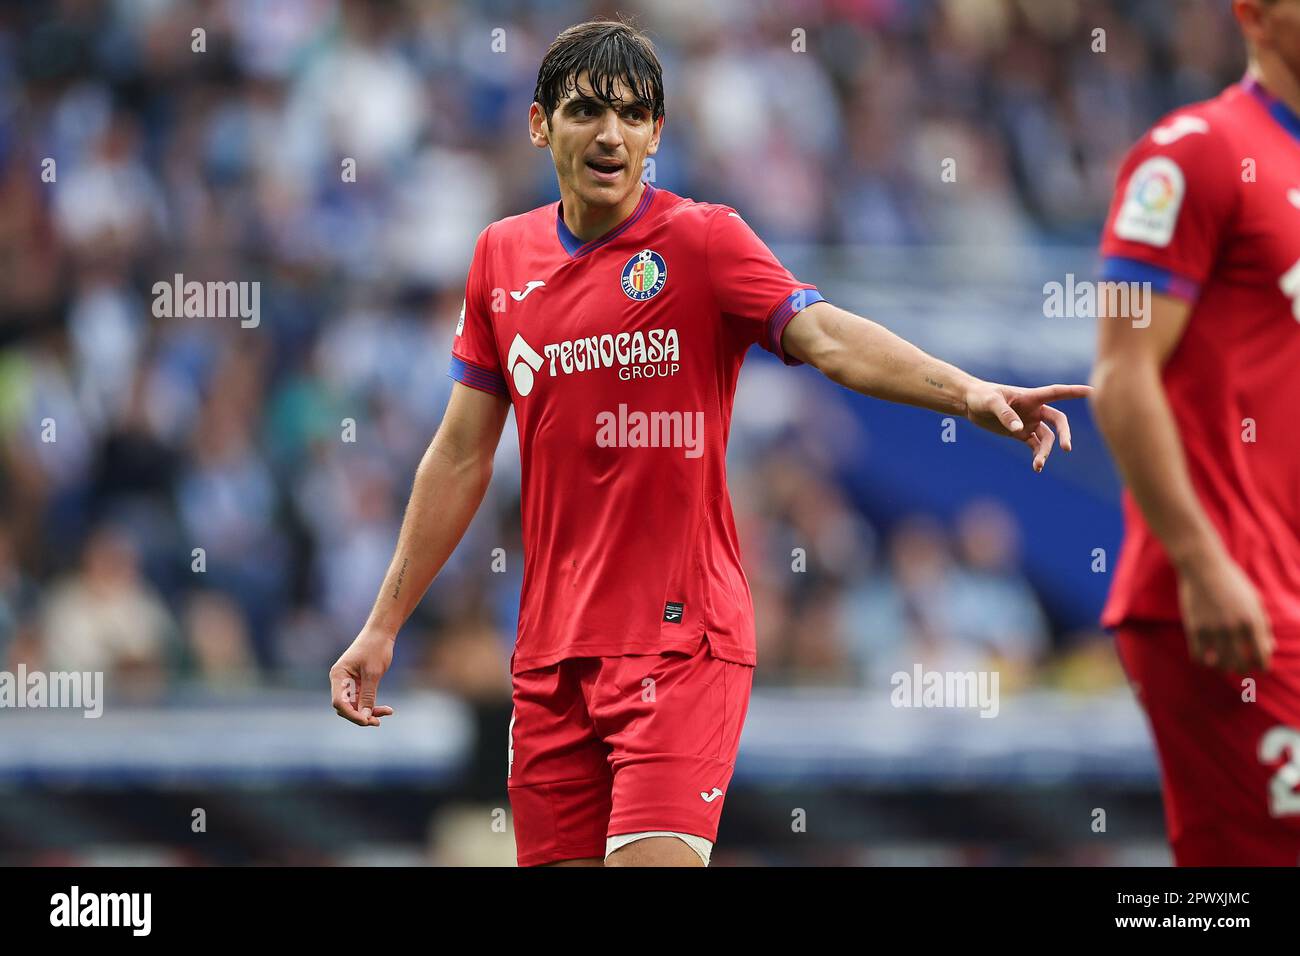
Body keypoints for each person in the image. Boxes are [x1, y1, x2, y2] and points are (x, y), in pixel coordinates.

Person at [330, 18, 1089, 867]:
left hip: (681, 643)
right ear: (541, 124)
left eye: (631, 115)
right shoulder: (499, 259)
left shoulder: (701, 240)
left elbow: (827, 337)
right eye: (584, 111)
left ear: (658, 131)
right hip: (549, 659)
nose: (609, 134)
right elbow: (461, 453)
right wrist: (383, 624)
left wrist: (971, 392)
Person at [1091, 0, 1300, 866]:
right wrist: (1203, 562)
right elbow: (1121, 374)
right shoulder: (1196, 153)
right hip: (1228, 600)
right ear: (1252, 12)